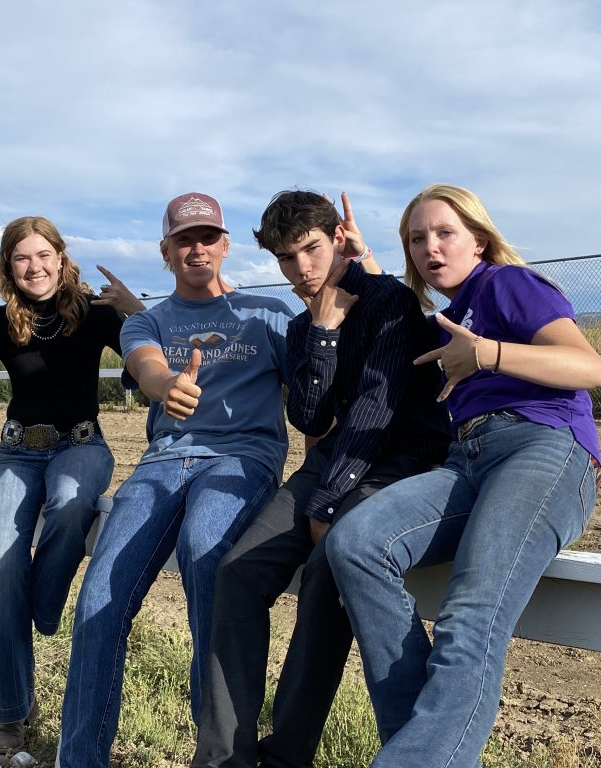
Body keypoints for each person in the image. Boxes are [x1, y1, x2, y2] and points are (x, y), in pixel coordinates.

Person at [324, 183, 601, 768]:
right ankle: (425, 753)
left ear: (478, 240)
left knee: (468, 617)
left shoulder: (507, 284)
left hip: (542, 448)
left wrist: (488, 355)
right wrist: (365, 261)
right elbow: (404, 310)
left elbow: (589, 367)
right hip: (468, 459)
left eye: (444, 233)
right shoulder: (452, 316)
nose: (431, 247)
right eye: (417, 239)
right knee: (354, 543)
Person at [191, 191, 451, 768]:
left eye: (310, 249)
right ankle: (222, 758)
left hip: (399, 465)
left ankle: (286, 755)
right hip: (333, 465)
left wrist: (327, 506)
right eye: (286, 258)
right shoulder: (306, 322)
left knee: (323, 579)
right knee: (236, 574)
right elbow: (308, 417)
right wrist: (323, 332)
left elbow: (377, 410)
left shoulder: (391, 302)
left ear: (338, 239)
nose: (301, 269)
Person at [56, 192, 296, 768]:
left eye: (208, 237)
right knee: (98, 602)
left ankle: (217, 755)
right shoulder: (148, 320)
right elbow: (145, 365)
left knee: (203, 552)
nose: (197, 248)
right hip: (164, 461)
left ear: (226, 245)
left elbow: (319, 388)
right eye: (184, 239)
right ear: (165, 251)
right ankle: (80, 758)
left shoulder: (269, 313)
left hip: (244, 459)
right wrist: (166, 386)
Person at [0, 215, 143, 754]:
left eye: (43, 255)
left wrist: (133, 313)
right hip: (17, 454)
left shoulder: (95, 313)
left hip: (82, 444)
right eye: (22, 258)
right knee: (1, 573)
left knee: (73, 505)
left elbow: (141, 370)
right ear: (8, 268)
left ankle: (24, 615)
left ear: (61, 257)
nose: (35, 267)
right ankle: (9, 718)